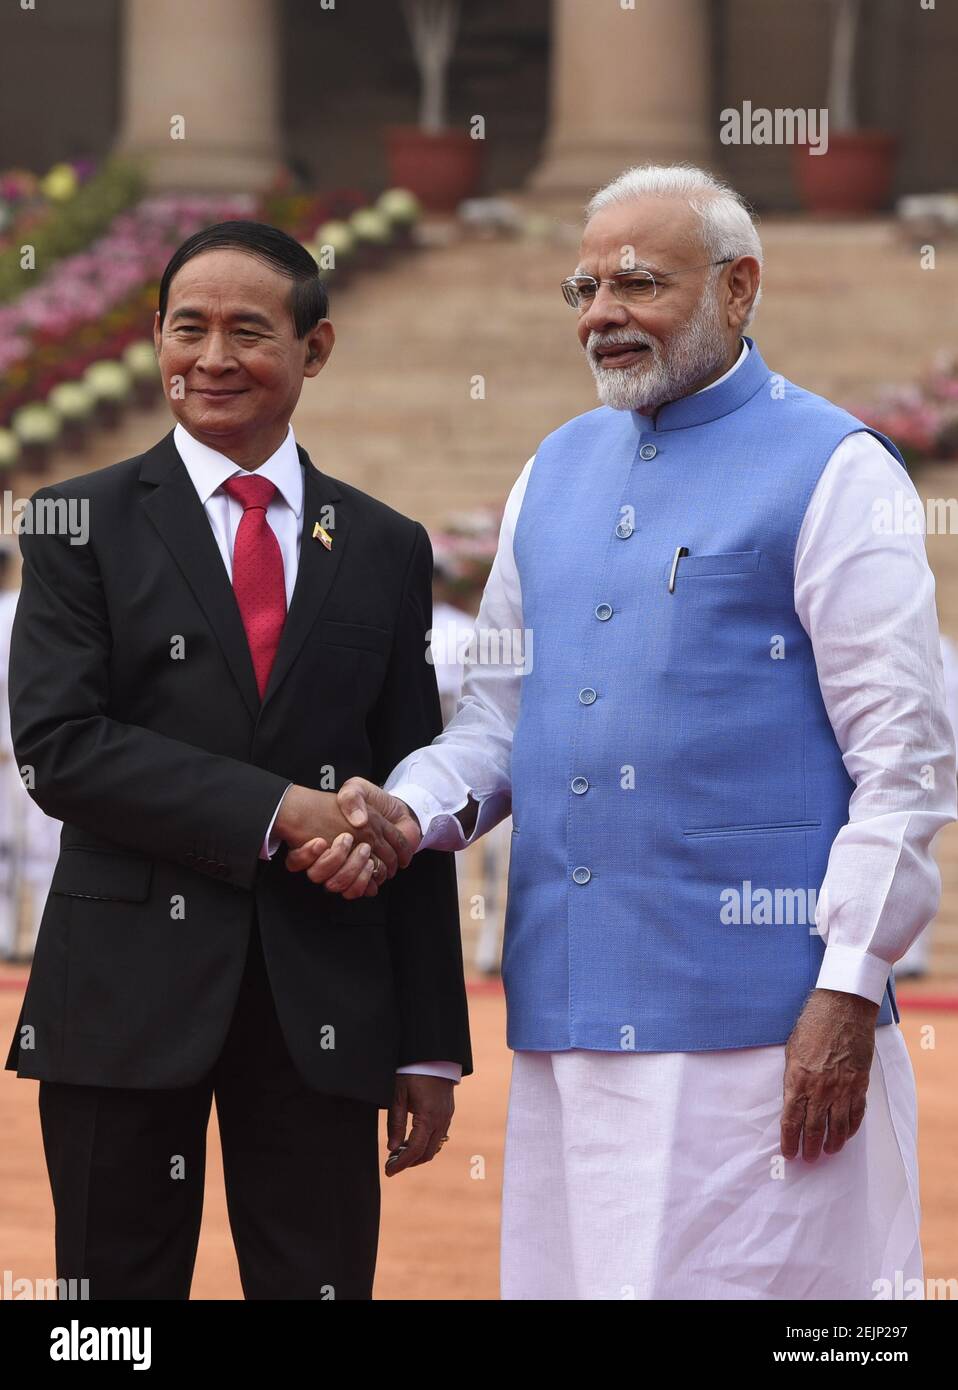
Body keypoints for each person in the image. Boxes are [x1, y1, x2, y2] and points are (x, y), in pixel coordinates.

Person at [290, 165, 956, 1300]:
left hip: (763, 1024)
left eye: (640, 283)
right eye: (584, 288)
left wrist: (848, 986)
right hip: (568, 1014)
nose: (602, 313)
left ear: (738, 288)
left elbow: (905, 756)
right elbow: (498, 716)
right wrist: (409, 808)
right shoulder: (551, 470)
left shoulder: (838, 467)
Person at [5, 221, 471, 1300]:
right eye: (188, 329)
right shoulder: (77, 522)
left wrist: (427, 1041)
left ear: (315, 348)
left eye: (248, 332)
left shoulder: (385, 545)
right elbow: (61, 749)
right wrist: (281, 811)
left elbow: (409, 787)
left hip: (325, 1000)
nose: (211, 358)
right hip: (121, 996)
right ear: (156, 339)